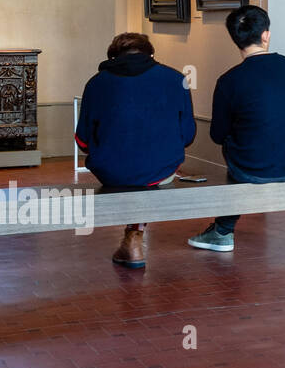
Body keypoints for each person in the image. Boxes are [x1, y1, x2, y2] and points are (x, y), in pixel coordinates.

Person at [188, 5, 285, 253]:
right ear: (266, 35)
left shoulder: (229, 80)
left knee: (237, 145)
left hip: (250, 169)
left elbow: (217, 135)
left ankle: (223, 231)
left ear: (235, 39)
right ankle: (222, 230)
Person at [75, 32, 196, 269]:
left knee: (133, 168)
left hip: (111, 171)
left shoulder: (96, 83)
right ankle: (134, 237)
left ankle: (132, 240)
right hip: (160, 169)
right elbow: (188, 136)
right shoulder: (175, 78)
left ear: (112, 56)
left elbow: (83, 140)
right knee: (149, 171)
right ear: (151, 54)